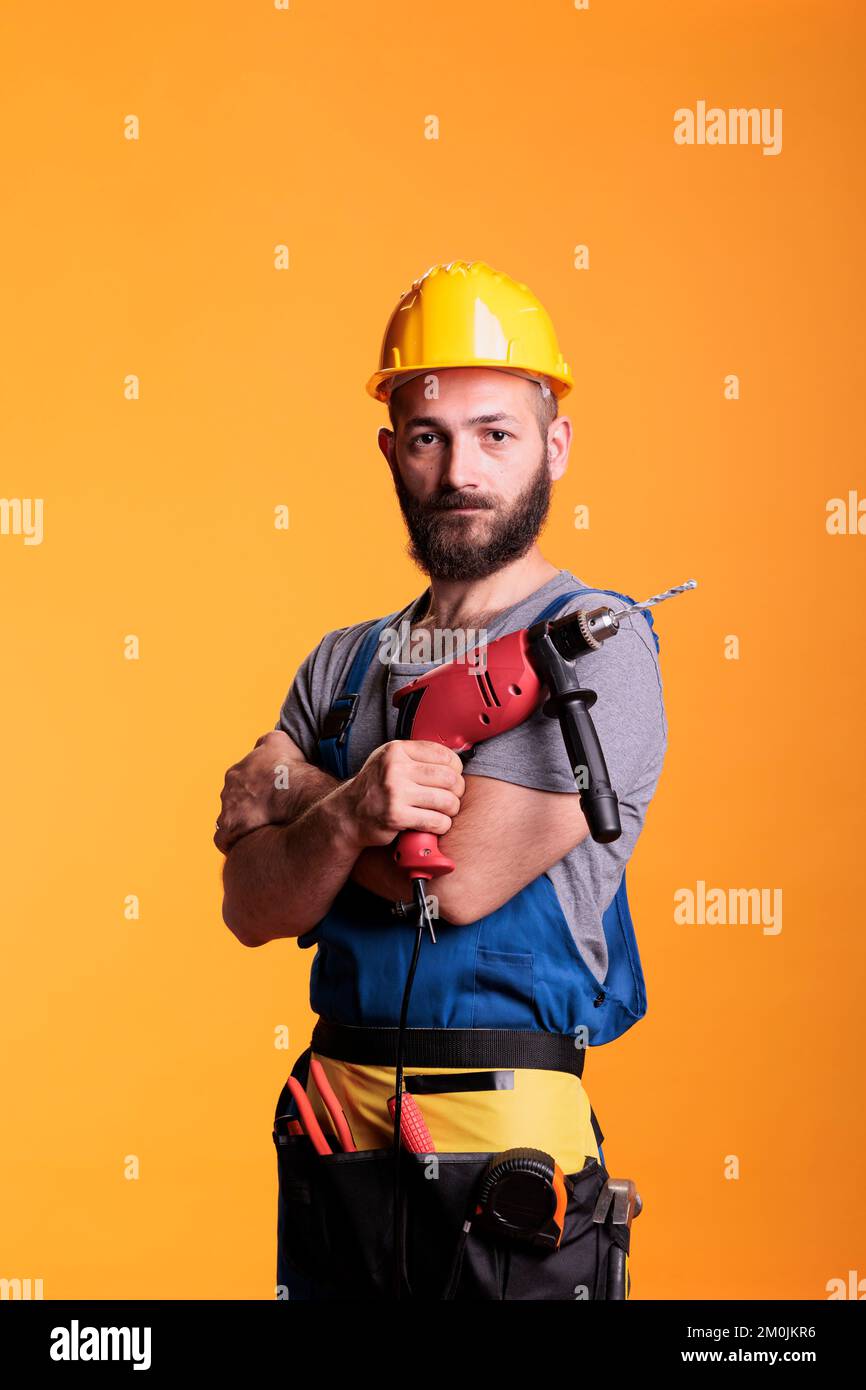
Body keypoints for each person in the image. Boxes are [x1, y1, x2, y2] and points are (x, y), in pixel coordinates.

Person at [214, 260, 667, 1300]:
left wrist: (296, 799)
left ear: (553, 447)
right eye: (429, 436)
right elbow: (247, 905)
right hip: (335, 1125)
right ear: (392, 452)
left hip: (503, 1124)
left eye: (495, 433)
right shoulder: (338, 663)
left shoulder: (592, 648)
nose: (460, 467)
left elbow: (452, 884)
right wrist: (357, 811)